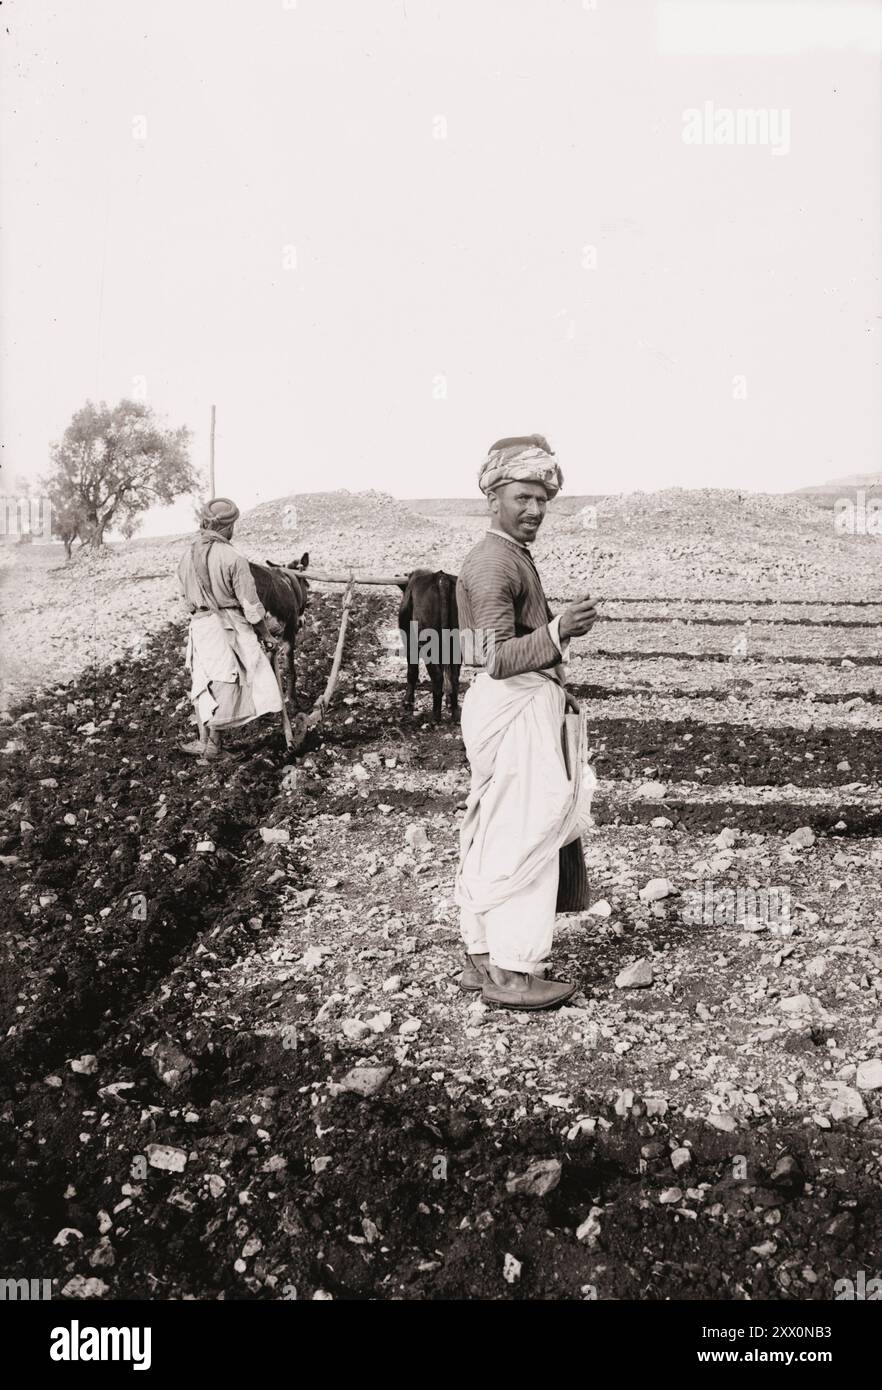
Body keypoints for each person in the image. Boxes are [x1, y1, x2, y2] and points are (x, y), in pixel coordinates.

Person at [454, 435, 599, 1010]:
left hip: (508, 707)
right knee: (527, 833)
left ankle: (482, 956)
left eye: (543, 499)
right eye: (523, 496)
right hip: (514, 705)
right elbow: (497, 656)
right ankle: (513, 972)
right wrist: (561, 631)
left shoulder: (506, 555)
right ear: (493, 496)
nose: (535, 509)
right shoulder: (493, 562)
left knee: (494, 830)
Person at [177, 497, 282, 762]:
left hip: (199, 626)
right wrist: (266, 635)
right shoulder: (233, 557)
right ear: (227, 528)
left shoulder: (187, 556)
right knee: (231, 680)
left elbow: (186, 600)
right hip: (226, 627)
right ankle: (214, 746)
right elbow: (250, 605)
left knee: (205, 681)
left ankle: (205, 740)